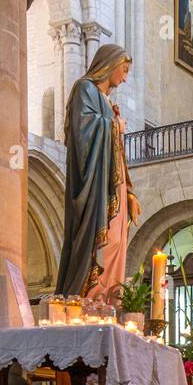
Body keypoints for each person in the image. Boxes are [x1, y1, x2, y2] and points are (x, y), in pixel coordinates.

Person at [55, 45, 140, 300]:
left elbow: (118, 154)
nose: (124, 78)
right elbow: (83, 133)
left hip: (113, 185)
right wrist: (114, 125)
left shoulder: (107, 102)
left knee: (116, 242)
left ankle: (107, 299)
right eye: (123, 71)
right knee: (100, 240)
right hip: (95, 186)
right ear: (111, 65)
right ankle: (89, 297)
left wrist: (130, 191)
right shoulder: (85, 89)